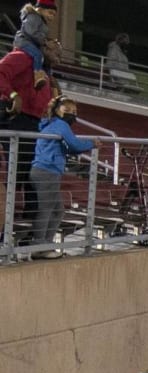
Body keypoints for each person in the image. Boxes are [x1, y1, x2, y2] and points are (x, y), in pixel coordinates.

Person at [0, 40, 56, 241]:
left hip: (35, 126)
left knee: (32, 179)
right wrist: (13, 94)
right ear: (43, 47)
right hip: (19, 122)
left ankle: (28, 235)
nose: (58, 56)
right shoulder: (23, 57)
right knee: (16, 176)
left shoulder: (45, 72)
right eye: (54, 50)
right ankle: (5, 232)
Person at [29, 96, 96, 258]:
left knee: (58, 211)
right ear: (58, 110)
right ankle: (39, 247)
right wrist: (92, 144)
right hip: (47, 171)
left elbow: (67, 148)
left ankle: (46, 244)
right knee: (47, 209)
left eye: (74, 112)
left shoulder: (52, 124)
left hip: (45, 171)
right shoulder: (60, 125)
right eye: (68, 110)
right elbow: (75, 144)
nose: (72, 114)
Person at [12, 0, 55, 89]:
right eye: (50, 13)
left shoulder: (41, 21)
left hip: (32, 43)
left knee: (45, 59)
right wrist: (45, 42)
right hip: (24, 41)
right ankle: (37, 75)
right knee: (37, 55)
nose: (52, 16)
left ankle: (48, 78)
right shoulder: (33, 17)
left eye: (54, 15)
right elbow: (31, 31)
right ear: (41, 9)